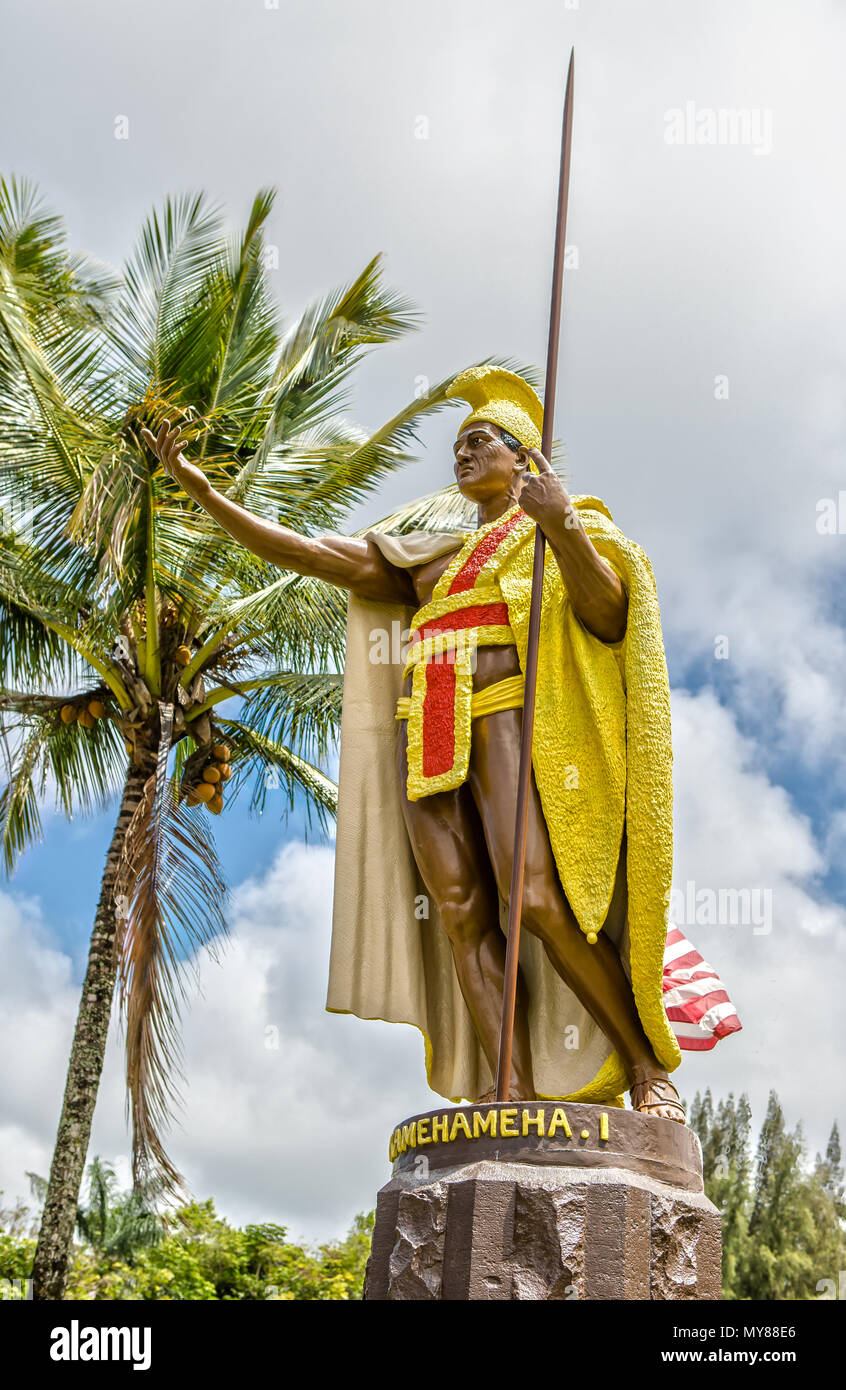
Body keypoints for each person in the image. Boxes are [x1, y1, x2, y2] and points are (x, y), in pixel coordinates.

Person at [143, 365, 686, 1120]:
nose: (461, 455)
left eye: (479, 441)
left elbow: (609, 618)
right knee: (461, 911)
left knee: (531, 898)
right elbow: (310, 554)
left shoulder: (565, 529)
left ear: (523, 459)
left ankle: (643, 1065)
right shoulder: (429, 561)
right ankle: (509, 1092)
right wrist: (206, 495)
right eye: (457, 445)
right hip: (426, 730)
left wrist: (560, 525)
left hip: (506, 717)